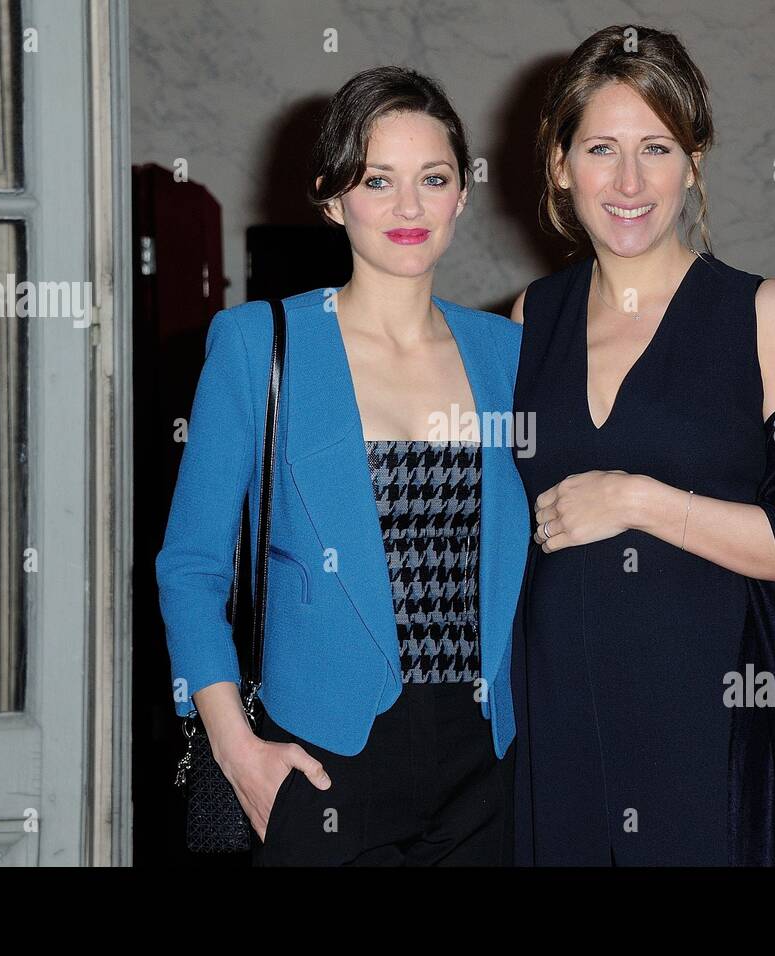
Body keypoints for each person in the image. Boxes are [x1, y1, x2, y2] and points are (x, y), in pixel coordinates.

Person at [508, 24, 775, 865]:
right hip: (558, 726)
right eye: (602, 148)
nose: (630, 181)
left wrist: (641, 501)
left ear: (694, 160)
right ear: (561, 163)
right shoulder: (532, 318)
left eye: (659, 147)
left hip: (715, 738)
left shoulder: (765, 314)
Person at [156, 66, 530, 866]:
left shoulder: (509, 355)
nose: (408, 207)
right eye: (377, 180)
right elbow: (189, 568)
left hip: (487, 770)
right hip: (324, 767)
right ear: (332, 197)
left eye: (433, 179)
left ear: (462, 194)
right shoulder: (260, 345)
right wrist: (236, 750)